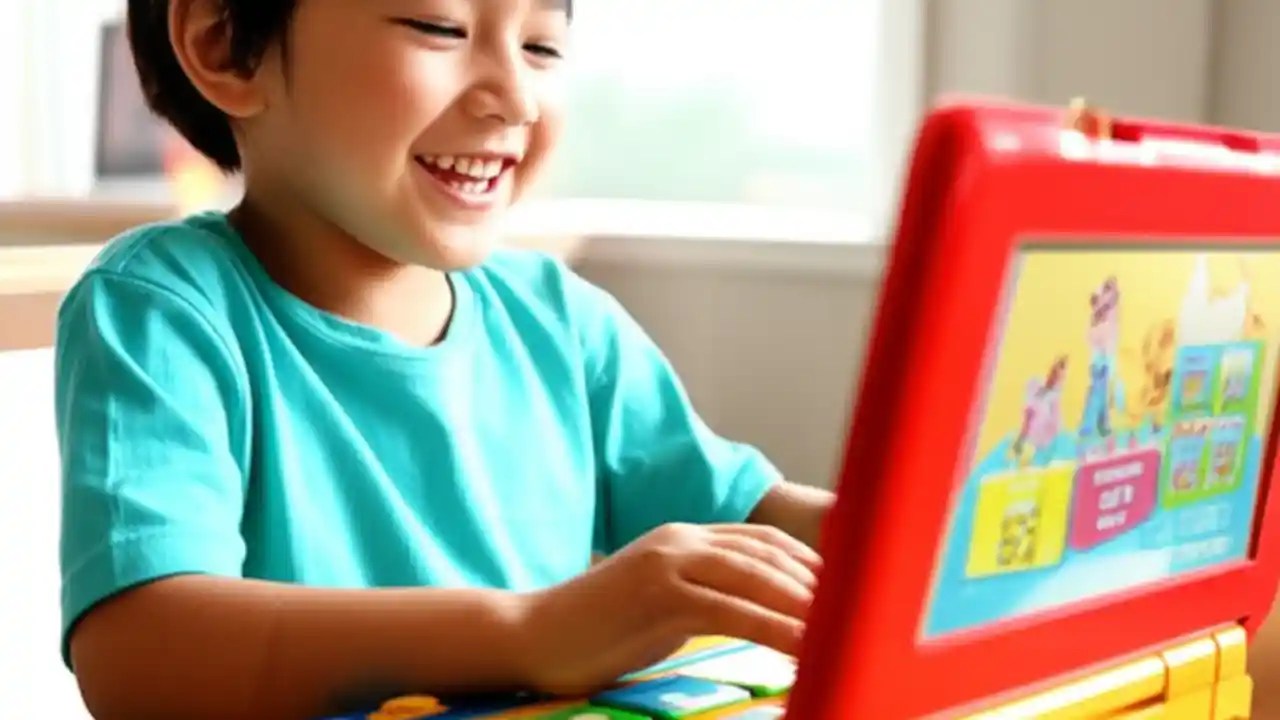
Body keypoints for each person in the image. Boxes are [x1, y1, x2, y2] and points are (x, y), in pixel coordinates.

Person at [55, 1, 835, 718]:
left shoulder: (560, 319)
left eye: (540, 46)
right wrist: (531, 632)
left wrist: (921, 523)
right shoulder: (162, 309)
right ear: (225, 44)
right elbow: (138, 652)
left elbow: (752, 520)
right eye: (439, 27)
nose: (515, 98)